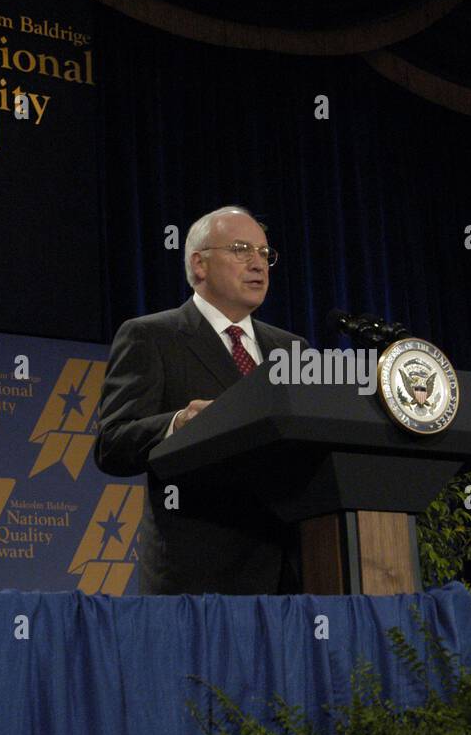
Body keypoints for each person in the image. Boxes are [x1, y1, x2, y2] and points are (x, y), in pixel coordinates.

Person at [93, 205, 309, 595]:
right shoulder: (152, 336)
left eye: (264, 253)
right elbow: (112, 444)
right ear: (200, 265)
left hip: (289, 574)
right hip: (198, 579)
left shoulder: (292, 350)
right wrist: (176, 425)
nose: (258, 263)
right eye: (241, 249)